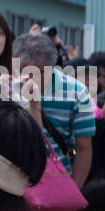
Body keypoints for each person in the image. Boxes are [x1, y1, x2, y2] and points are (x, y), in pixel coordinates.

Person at [13, 32, 94, 189]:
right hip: (15, 185)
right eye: (25, 72)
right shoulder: (6, 88)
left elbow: (84, 149)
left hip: (57, 184)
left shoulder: (78, 93)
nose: (31, 79)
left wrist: (72, 195)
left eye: (40, 73)